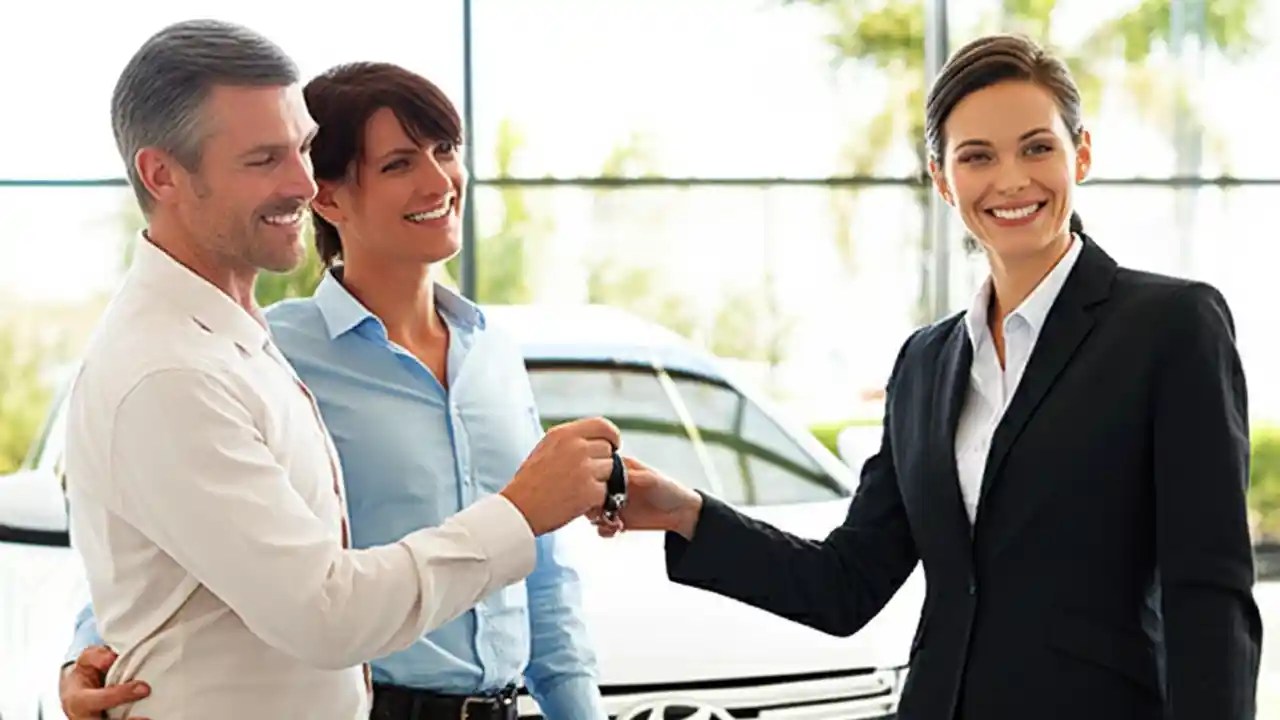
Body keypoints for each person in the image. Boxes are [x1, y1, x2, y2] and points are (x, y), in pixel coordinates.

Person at [596, 33, 1263, 720]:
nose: (1011, 180)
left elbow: (1209, 596)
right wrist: (688, 514)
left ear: (1081, 154)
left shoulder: (1171, 326)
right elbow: (846, 583)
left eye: (1037, 147)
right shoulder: (926, 362)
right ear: (942, 178)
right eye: (977, 156)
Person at [61, 19, 619, 720]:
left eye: (445, 149)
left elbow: (544, 573)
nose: (437, 178)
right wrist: (95, 647)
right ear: (163, 175)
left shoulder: (484, 353)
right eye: (397, 163)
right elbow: (180, 547)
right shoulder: (223, 361)